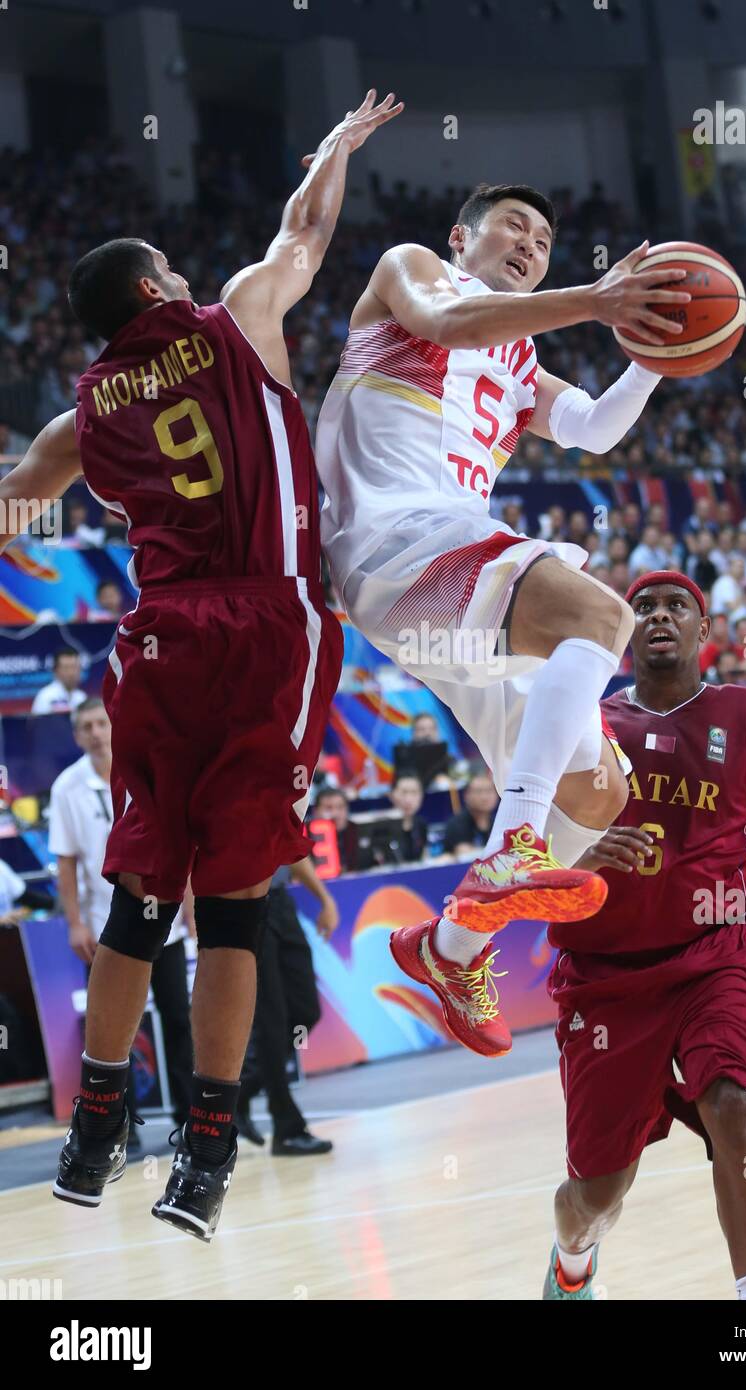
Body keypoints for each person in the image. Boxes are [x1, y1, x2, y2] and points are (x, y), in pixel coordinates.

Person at [0, 89, 400, 1240]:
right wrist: (330, 148)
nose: (184, 275)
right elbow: (306, 237)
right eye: (168, 267)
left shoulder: (78, 420)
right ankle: (212, 1150)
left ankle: (101, 1119)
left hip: (159, 639)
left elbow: (17, 510)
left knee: (139, 902)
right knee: (232, 910)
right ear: (152, 290)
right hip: (268, 626)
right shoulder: (234, 319)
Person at [316, 181, 691, 1056]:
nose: (531, 243)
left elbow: (596, 430)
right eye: (514, 227)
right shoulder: (411, 269)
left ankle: (448, 947)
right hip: (392, 538)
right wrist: (596, 302)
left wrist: (652, 358)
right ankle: (514, 842)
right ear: (462, 236)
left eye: (545, 238)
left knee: (600, 790)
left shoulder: (521, 354)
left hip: (447, 581)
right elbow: (450, 329)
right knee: (600, 616)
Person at [540, 571, 746, 1300]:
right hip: (604, 978)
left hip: (714, 958)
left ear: (705, 630)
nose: (658, 616)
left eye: (676, 607)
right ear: (626, 631)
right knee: (598, 1192)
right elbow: (527, 856)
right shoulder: (583, 727)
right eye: (642, 608)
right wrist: (579, 851)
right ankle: (572, 1261)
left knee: (735, 1107)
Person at [48, 698, 193, 1137]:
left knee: (178, 1019)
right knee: (113, 1028)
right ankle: (117, 1126)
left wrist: (190, 901)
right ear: (76, 735)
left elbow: (181, 840)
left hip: (165, 920)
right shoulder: (66, 787)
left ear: (114, 726)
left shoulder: (143, 767)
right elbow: (66, 863)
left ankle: (188, 1117)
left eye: (100, 723)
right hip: (106, 926)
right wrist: (74, 923)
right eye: (86, 726)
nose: (95, 732)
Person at [237, 857, 337, 1156]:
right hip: (245, 905)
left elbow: (293, 849)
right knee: (272, 1020)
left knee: (306, 1010)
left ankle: (241, 1091)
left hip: (280, 901)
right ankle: (287, 1129)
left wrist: (324, 898)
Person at [442, 771, 498, 857]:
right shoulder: (457, 823)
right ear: (466, 796)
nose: (484, 797)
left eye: (489, 791)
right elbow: (464, 855)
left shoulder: (498, 822)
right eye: (478, 791)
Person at [31, 648, 87, 716]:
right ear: (56, 671)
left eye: (74, 667)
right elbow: (37, 725)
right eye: (66, 668)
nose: (71, 673)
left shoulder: (82, 697)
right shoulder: (45, 696)